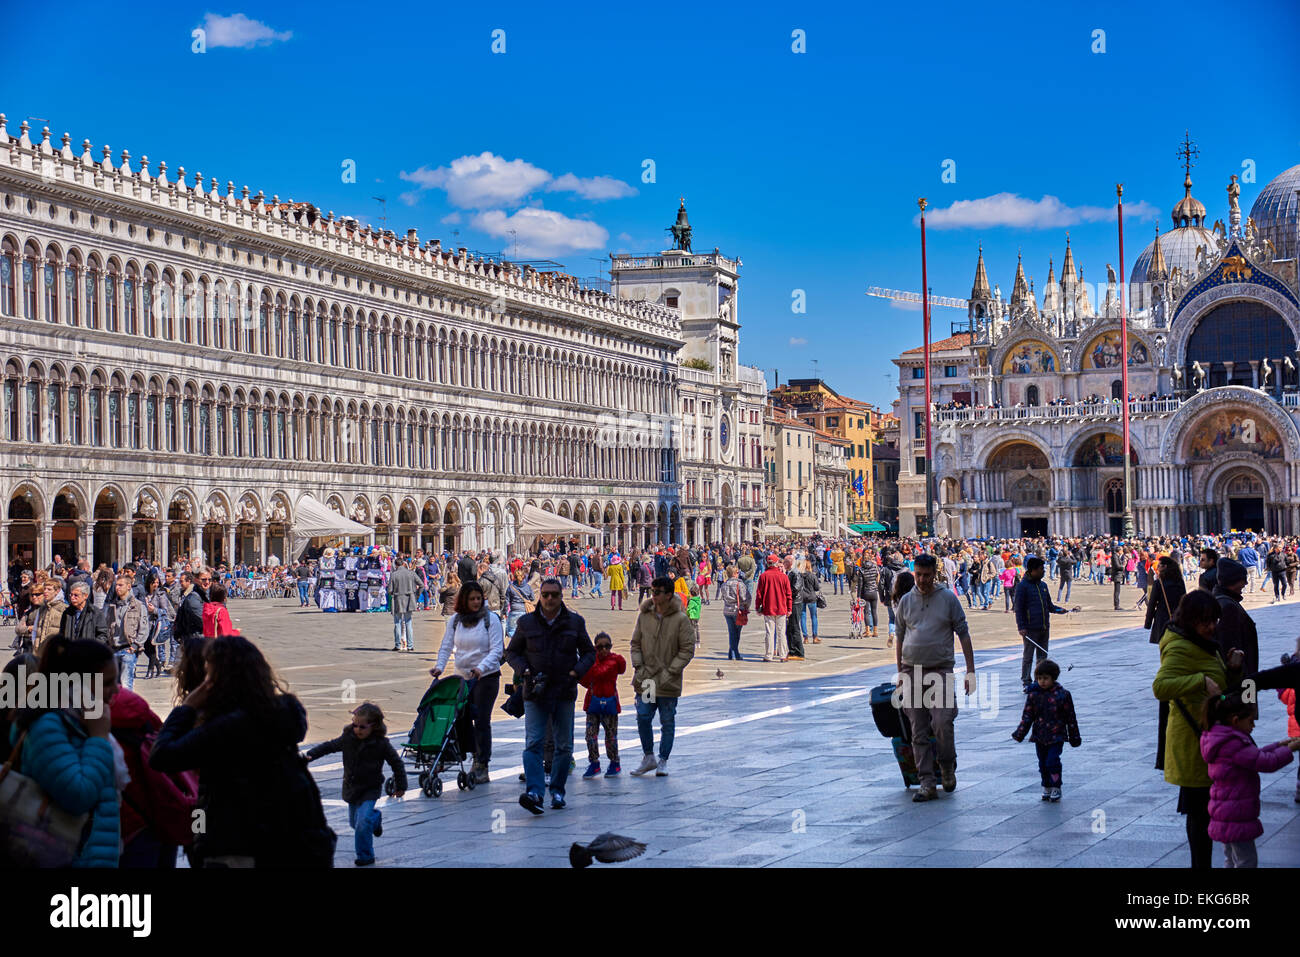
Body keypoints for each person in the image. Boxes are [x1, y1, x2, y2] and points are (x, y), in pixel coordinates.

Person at [149, 634, 336, 868]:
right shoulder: (285, 712)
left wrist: (186, 708)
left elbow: (161, 756)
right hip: (299, 835)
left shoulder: (226, 728)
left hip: (239, 844)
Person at [7, 637, 121, 867]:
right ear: (78, 683)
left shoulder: (81, 721)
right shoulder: (48, 726)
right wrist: (99, 738)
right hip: (66, 857)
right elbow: (78, 796)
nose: (116, 690)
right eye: (108, 683)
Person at [1153, 589, 1242, 869]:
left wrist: (1232, 670)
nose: (1211, 626)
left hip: (1210, 739)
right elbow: (1160, 687)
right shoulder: (1180, 646)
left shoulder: (1203, 643)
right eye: (1205, 621)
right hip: (1194, 743)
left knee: (1208, 810)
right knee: (1200, 814)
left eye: (1214, 620)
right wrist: (1199, 681)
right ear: (1190, 619)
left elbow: (1224, 689)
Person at [506, 577, 595, 814]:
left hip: (564, 690)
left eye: (554, 595)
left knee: (564, 745)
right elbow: (511, 652)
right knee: (533, 742)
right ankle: (535, 791)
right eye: (545, 594)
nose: (549, 599)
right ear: (540, 596)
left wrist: (577, 672)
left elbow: (589, 653)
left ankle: (557, 790)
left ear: (561, 596)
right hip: (534, 691)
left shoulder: (575, 622)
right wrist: (523, 669)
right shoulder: (526, 623)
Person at [894, 554, 977, 802]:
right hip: (911, 670)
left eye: (926, 575)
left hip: (940, 669)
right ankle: (927, 782)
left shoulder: (948, 599)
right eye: (918, 574)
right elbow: (899, 637)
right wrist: (900, 672)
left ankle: (947, 765)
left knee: (942, 722)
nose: (921, 580)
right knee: (917, 730)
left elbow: (963, 634)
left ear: (935, 574)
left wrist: (970, 671)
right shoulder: (906, 601)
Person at [1199, 690, 1299, 868]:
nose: (1253, 726)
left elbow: (1254, 755)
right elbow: (1266, 762)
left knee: (1231, 858)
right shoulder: (1234, 743)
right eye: (1251, 721)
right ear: (1236, 720)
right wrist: (1290, 749)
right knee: (1246, 860)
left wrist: (1279, 745)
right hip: (1236, 812)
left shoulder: (1221, 738)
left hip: (1224, 810)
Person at [303, 702, 407, 867]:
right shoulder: (348, 738)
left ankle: (365, 856)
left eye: (362, 727)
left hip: (370, 788)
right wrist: (311, 755)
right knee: (355, 823)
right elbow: (329, 746)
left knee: (362, 822)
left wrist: (401, 785)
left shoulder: (381, 744)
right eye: (355, 725)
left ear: (374, 726)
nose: (357, 729)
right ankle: (376, 817)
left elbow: (397, 764)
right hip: (352, 788)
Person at [431, 581, 505, 785]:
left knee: (481, 720)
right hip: (462, 676)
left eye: (479, 598)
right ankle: (463, 753)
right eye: (472, 599)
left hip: (486, 677)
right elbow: (446, 646)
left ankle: (482, 764)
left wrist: (481, 668)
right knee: (459, 717)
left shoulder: (491, 620)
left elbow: (497, 650)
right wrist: (439, 666)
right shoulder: (455, 621)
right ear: (463, 600)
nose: (476, 602)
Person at [628, 576, 695, 777]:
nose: (653, 595)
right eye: (652, 591)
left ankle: (663, 759)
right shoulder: (644, 616)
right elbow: (635, 643)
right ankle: (648, 756)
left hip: (667, 680)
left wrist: (671, 671)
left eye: (657, 592)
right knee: (644, 716)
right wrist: (639, 667)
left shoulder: (681, 619)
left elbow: (687, 649)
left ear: (668, 595)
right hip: (647, 679)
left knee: (667, 720)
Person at [1011, 659, 1082, 801]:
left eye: (1045, 678)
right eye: (1039, 678)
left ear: (1053, 678)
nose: (1042, 681)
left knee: (1052, 761)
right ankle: (1046, 785)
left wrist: (1074, 736)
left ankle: (1056, 786)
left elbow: (1070, 717)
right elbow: (1027, 716)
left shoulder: (1062, 695)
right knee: (1042, 763)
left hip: (1057, 736)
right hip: (1039, 736)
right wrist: (1020, 733)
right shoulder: (1033, 695)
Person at [1145, 555, 1187, 771]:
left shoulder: (1160, 582)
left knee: (1165, 648)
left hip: (1163, 621)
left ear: (1165, 568)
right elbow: (1184, 601)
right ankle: (1170, 668)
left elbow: (1152, 603)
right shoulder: (1179, 582)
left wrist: (1147, 623)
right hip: (1178, 621)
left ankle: (1166, 671)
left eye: (1160, 565)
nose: (1157, 567)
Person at [1012, 556, 1072, 692]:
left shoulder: (1043, 586)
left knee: (1042, 656)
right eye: (1041, 570)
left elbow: (1049, 605)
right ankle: (1026, 682)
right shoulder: (1023, 587)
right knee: (1028, 656)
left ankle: (1039, 681)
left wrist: (1059, 610)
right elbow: (1019, 608)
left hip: (1044, 626)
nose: (1043, 572)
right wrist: (1021, 626)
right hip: (1030, 628)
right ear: (1033, 570)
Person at [580, 631, 625, 778]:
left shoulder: (614, 661)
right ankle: (594, 763)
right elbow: (585, 679)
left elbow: (614, 670)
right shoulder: (592, 661)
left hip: (610, 703)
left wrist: (592, 662)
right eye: (600, 647)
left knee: (611, 736)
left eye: (607, 646)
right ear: (595, 648)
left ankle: (614, 762)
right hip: (593, 703)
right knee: (590, 736)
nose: (604, 650)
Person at [103, 572, 149, 691]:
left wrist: (135, 646)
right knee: (114, 687)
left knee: (126, 685)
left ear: (129, 586)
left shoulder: (138, 606)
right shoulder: (112, 606)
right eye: (116, 585)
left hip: (127, 649)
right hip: (113, 648)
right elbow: (106, 626)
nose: (117, 588)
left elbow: (143, 628)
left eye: (120, 585)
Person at [1213, 558, 1258, 676]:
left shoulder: (1223, 601)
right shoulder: (1228, 607)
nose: (1246, 584)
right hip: (1241, 678)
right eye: (1243, 580)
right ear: (1233, 581)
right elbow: (1231, 648)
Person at [755, 554, 792, 663]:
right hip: (781, 608)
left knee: (769, 632)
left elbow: (759, 594)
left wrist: (758, 607)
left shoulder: (763, 576)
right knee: (781, 632)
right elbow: (788, 594)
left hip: (768, 608)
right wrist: (789, 608)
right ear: (776, 563)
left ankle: (769, 655)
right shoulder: (783, 576)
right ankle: (783, 655)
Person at [387, 556, 419, 653]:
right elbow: (421, 584)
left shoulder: (393, 575)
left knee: (397, 623)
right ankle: (410, 645)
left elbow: (389, 590)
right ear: (404, 564)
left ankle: (397, 645)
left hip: (397, 599)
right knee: (408, 622)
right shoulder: (411, 573)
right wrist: (416, 595)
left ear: (396, 565)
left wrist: (393, 592)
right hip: (409, 599)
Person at [719, 565, 750, 660]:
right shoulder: (739, 584)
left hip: (727, 610)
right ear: (734, 573)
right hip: (737, 610)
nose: (738, 574)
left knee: (732, 632)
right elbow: (745, 598)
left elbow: (724, 597)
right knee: (736, 633)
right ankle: (735, 652)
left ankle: (731, 651)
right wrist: (747, 605)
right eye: (737, 572)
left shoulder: (724, 584)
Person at [857, 553, 880, 639]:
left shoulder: (861, 569)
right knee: (874, 612)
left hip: (866, 592)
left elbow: (860, 584)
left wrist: (858, 596)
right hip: (874, 591)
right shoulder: (875, 567)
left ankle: (868, 631)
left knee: (866, 612)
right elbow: (877, 578)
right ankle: (875, 631)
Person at [686, 582, 702, 649]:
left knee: (692, 629)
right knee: (697, 629)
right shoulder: (698, 600)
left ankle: (694, 642)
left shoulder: (692, 601)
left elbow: (689, 609)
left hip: (692, 616)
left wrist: (686, 613)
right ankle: (698, 642)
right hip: (697, 616)